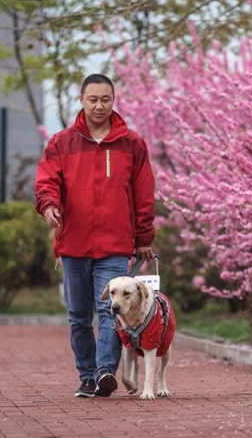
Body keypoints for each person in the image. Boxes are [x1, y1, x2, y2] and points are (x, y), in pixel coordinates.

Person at [34, 73, 156, 398]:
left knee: (109, 311)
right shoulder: (61, 143)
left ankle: (105, 372)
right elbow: (46, 182)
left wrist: (144, 237)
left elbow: (144, 194)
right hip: (73, 244)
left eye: (106, 99)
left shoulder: (132, 144)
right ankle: (87, 375)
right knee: (78, 317)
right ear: (81, 100)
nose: (99, 106)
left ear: (113, 101)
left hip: (115, 246)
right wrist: (48, 205)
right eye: (93, 99)